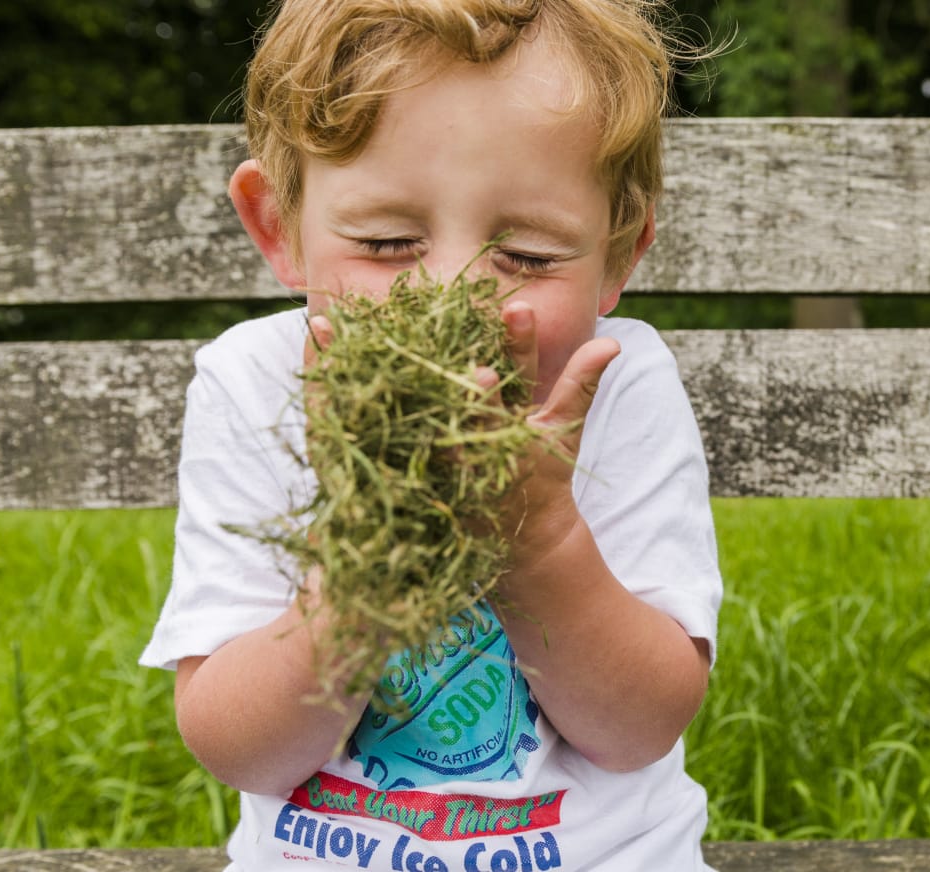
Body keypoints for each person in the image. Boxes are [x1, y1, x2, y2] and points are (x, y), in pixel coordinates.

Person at [138, 1, 723, 869]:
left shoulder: (614, 384)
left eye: (527, 256)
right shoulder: (253, 383)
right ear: (278, 226)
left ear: (619, 253)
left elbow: (637, 731)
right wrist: (364, 570)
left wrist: (540, 535)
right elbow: (239, 750)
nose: (453, 294)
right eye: (385, 242)